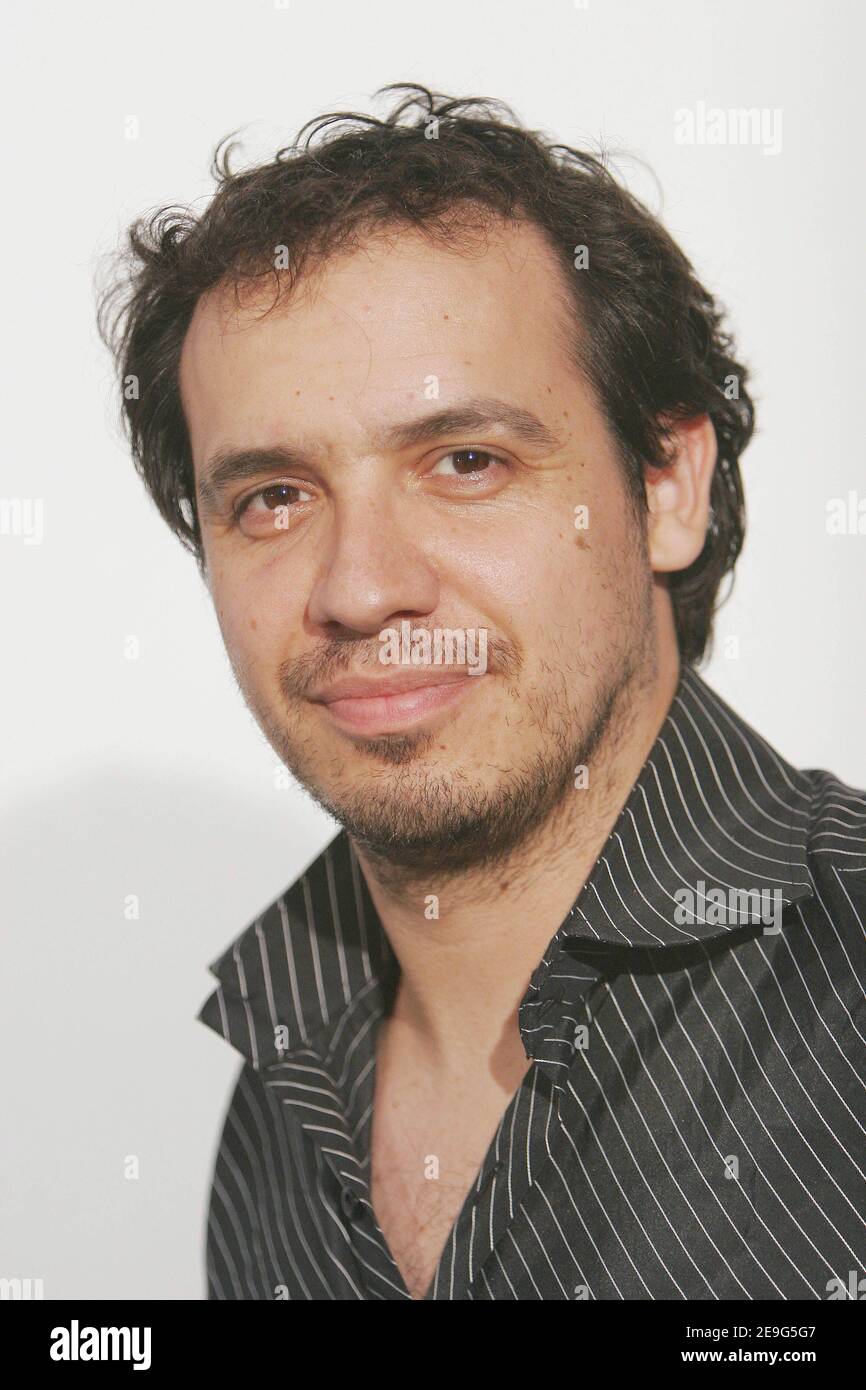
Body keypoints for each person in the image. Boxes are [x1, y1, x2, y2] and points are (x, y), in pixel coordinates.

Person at [98, 84, 866, 1300]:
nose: (359, 588)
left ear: (664, 485)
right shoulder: (278, 1094)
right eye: (273, 497)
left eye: (465, 462)